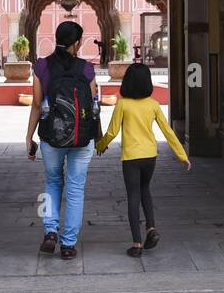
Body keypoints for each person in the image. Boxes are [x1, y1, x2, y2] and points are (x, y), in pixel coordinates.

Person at [95, 62, 191, 257]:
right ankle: (151, 228)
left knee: (133, 196)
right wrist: (182, 156)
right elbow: (168, 131)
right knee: (145, 190)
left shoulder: (123, 104)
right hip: (150, 156)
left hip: (131, 158)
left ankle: (137, 243)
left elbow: (112, 131)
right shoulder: (153, 104)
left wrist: (100, 145)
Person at [25, 20, 99, 260]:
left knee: (52, 183)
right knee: (76, 189)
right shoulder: (86, 69)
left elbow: (37, 104)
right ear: (76, 43)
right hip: (81, 138)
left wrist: (29, 137)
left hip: (50, 137)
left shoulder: (42, 67)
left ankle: (49, 232)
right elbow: (94, 105)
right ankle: (68, 244)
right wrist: (97, 136)